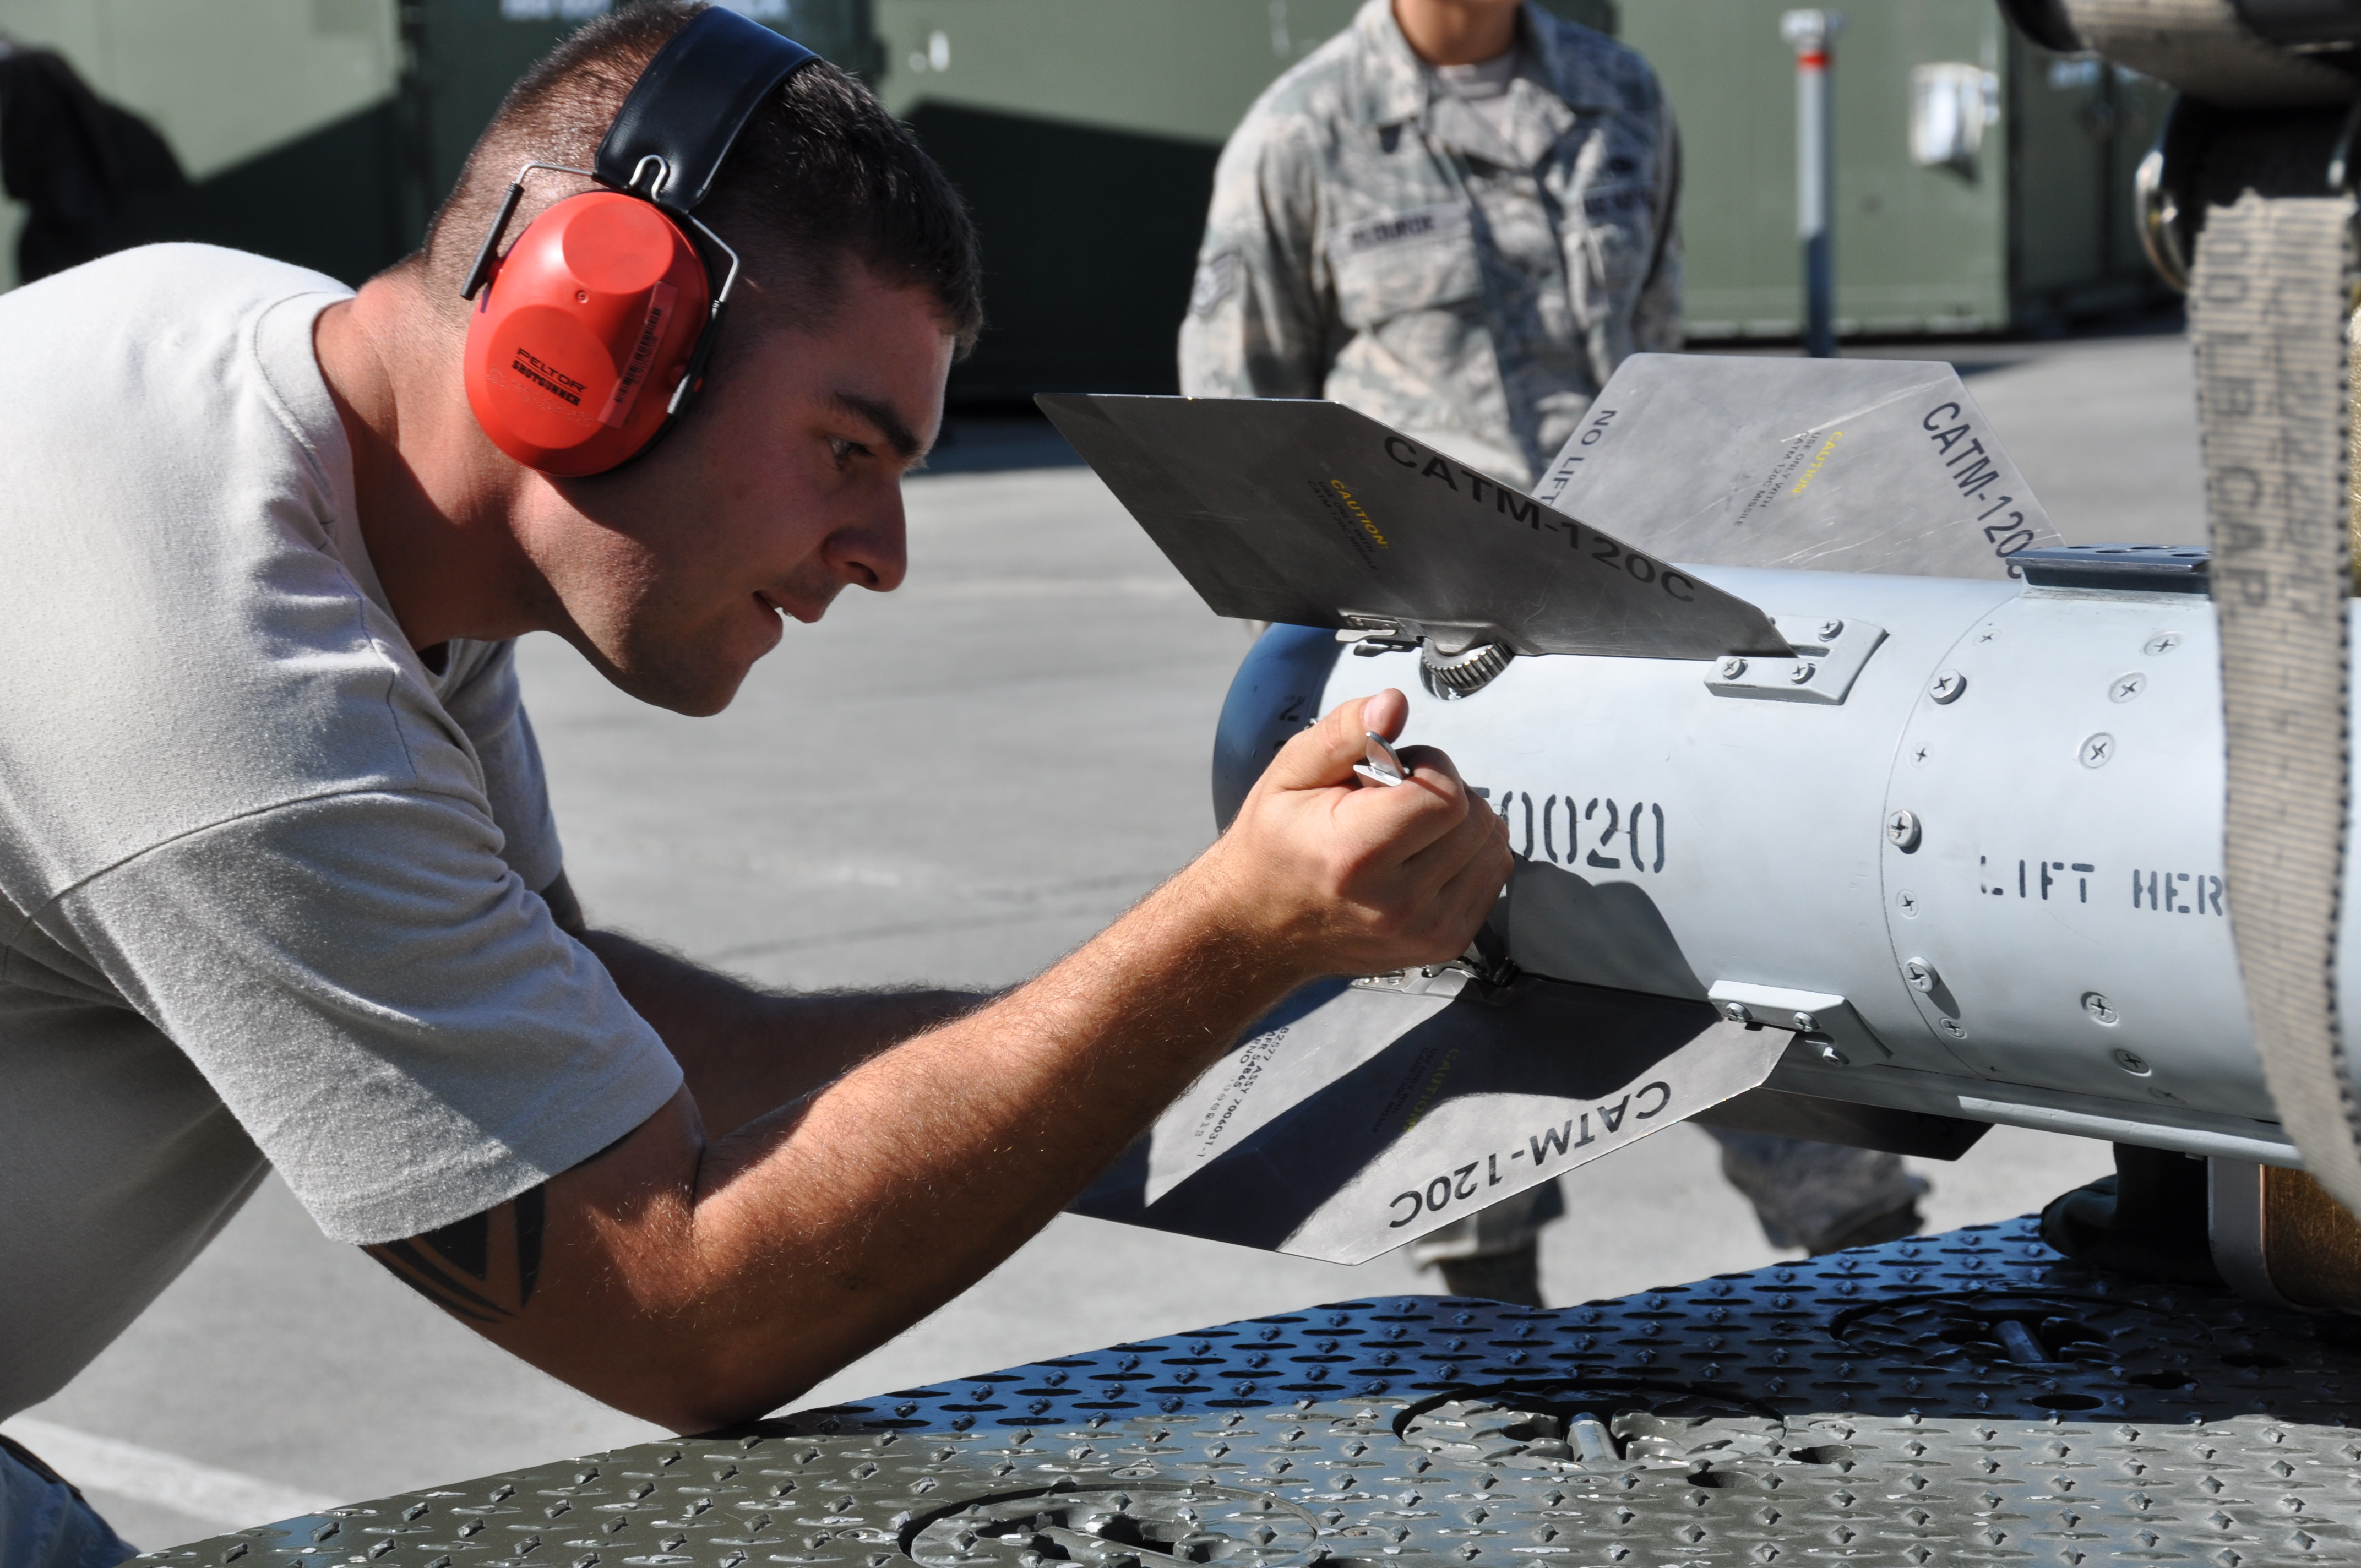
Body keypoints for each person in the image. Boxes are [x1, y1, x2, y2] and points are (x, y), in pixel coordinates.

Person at [0, 8, 1513, 1566]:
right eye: (848, 451)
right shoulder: (240, 682)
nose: (886, 557)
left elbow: (595, 1029)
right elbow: (678, 1310)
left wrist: (1204, 1046)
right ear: (587, 352)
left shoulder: (265, 397)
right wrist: (1222, 940)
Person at [1178, 0, 1924, 1306]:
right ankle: (1495, 1376)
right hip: (1425, 703)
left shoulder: (1620, 99)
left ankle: (1882, 1293)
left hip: (1633, 672)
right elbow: (1240, 428)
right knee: (1467, 1105)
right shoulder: (1299, 133)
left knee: (1749, 1002)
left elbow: (1660, 365)